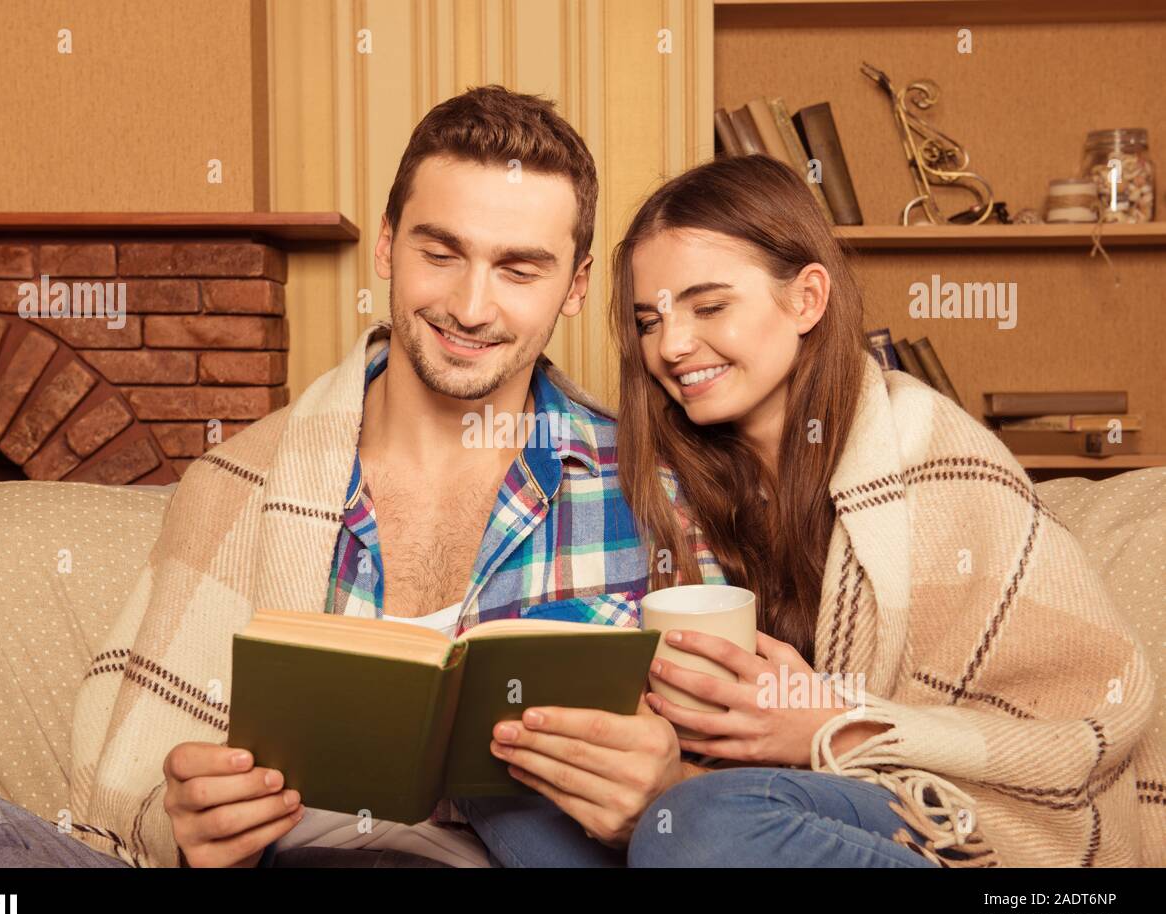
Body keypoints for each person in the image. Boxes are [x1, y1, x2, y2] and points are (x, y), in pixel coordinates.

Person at [0, 85, 715, 869]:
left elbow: (741, 797)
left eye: (518, 268)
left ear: (574, 286)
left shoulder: (654, 488)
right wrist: (186, 817)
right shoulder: (238, 478)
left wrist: (665, 801)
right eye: (441, 252)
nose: (470, 305)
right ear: (387, 246)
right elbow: (130, 788)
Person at [462, 154, 1164, 868]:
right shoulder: (676, 478)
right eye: (651, 319)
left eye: (709, 307)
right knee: (507, 770)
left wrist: (830, 722)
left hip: (958, 816)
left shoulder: (932, 455)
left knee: (707, 823)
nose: (671, 346)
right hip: (754, 800)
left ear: (806, 299)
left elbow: (1091, 717)